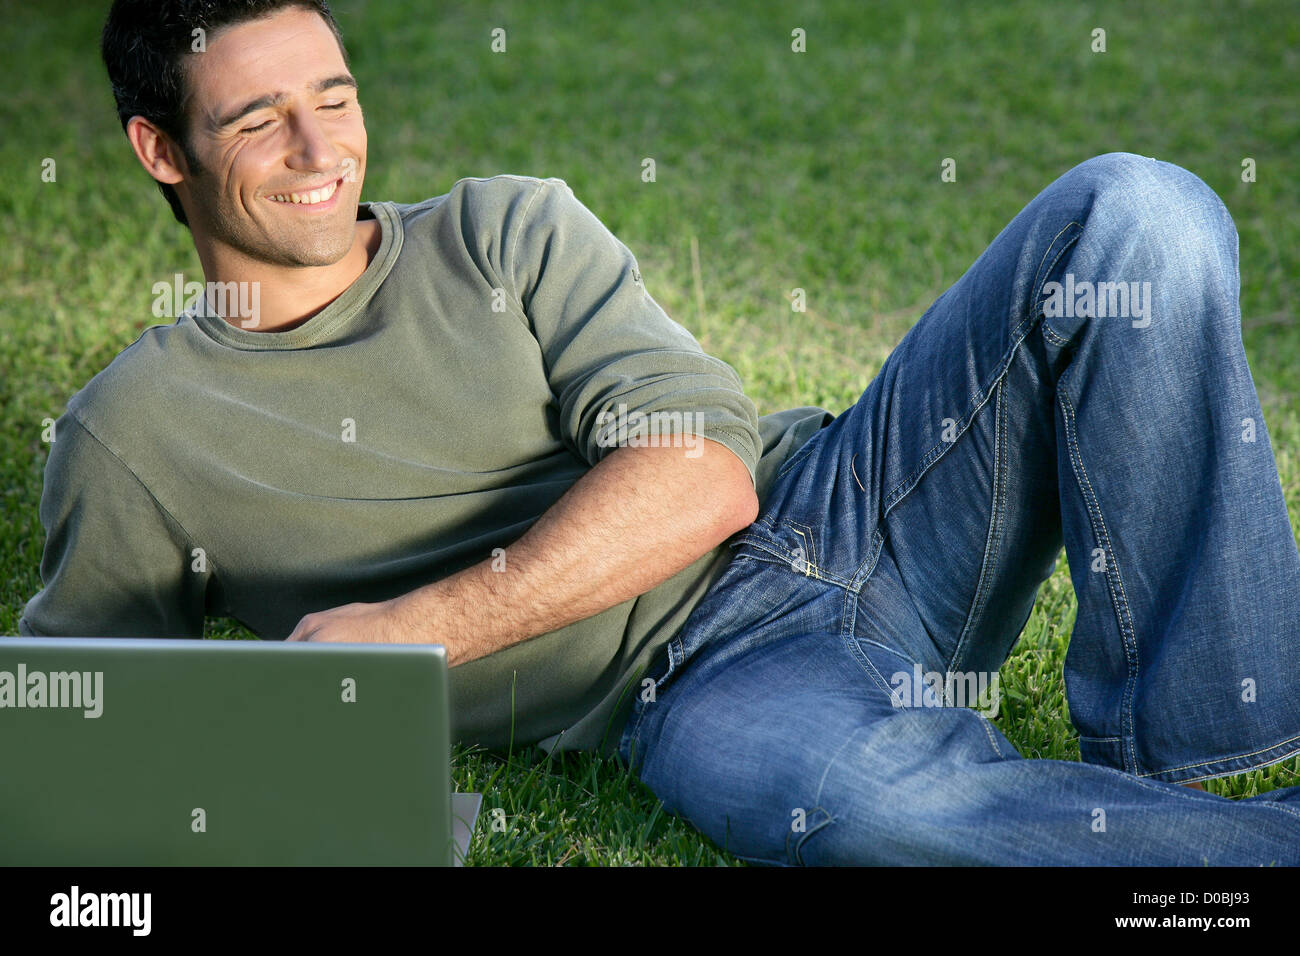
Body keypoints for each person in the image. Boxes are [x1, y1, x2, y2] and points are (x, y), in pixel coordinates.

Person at [19, 0, 1300, 865]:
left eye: (335, 98)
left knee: (1137, 213)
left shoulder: (500, 230)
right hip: (695, 680)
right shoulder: (135, 435)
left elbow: (703, 474)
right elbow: (85, 732)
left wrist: (414, 629)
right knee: (873, 806)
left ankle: (1190, 748)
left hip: (852, 501)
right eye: (257, 120)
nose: (321, 149)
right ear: (160, 149)